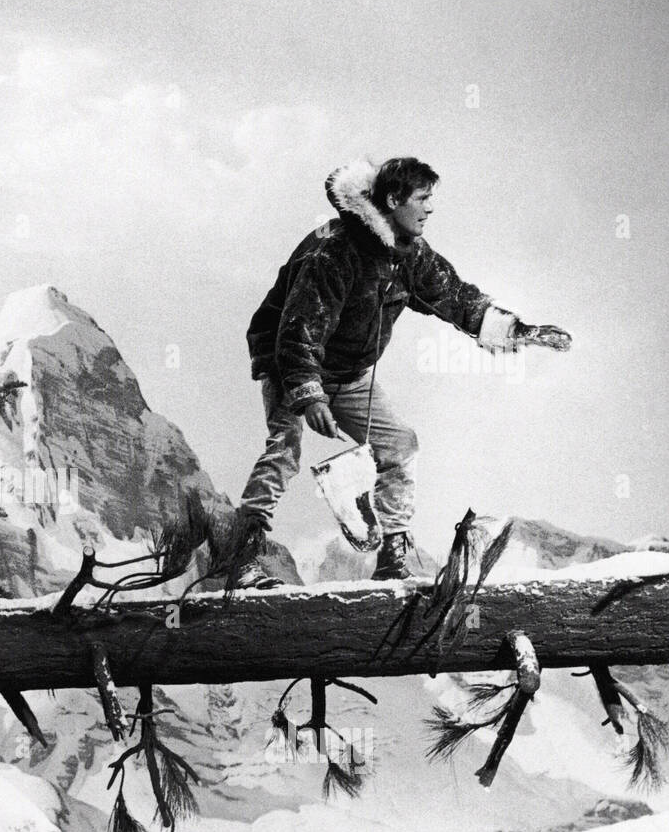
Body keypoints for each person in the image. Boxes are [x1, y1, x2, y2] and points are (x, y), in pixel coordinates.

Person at [236, 157, 559, 586]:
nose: (430, 209)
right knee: (284, 450)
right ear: (393, 200)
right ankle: (242, 558)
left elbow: (456, 298)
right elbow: (298, 330)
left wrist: (516, 331)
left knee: (400, 445)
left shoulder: (410, 255)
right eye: (423, 199)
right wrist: (309, 395)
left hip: (350, 375)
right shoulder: (334, 252)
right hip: (290, 364)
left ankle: (392, 557)